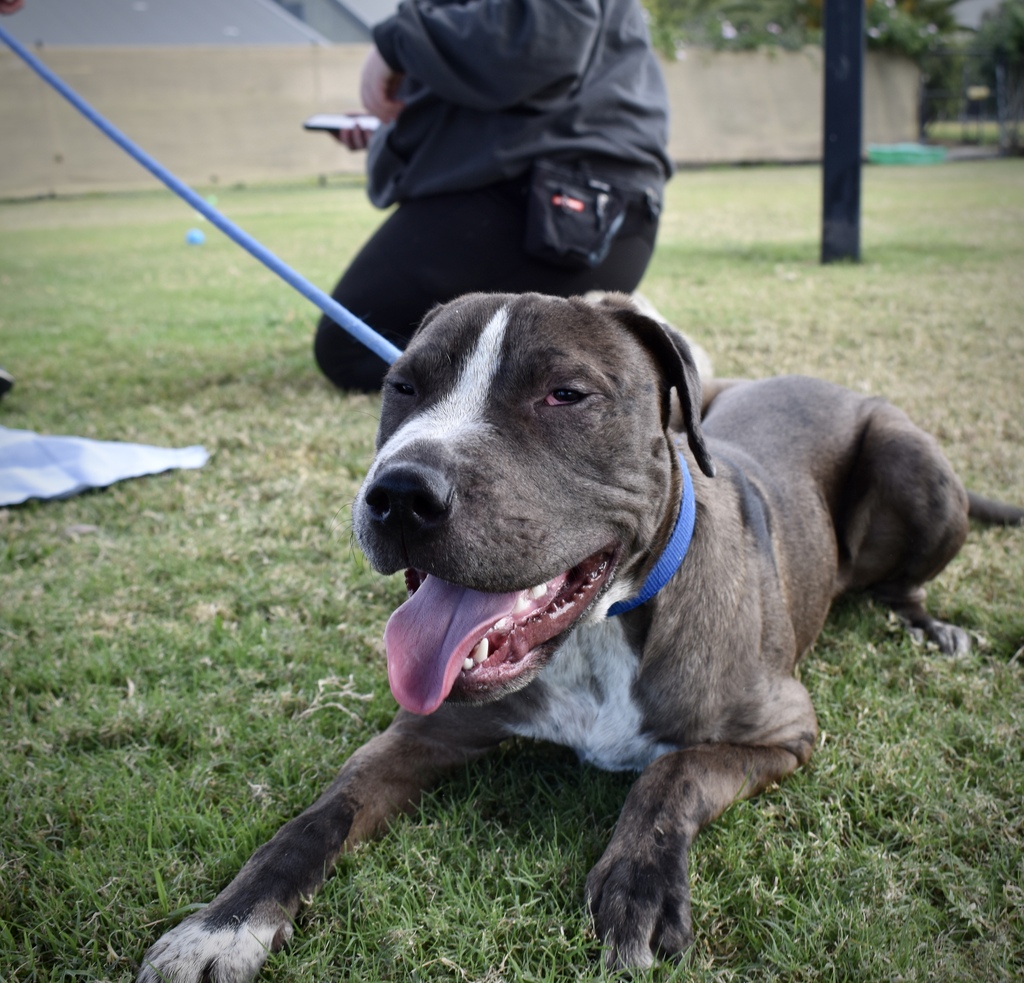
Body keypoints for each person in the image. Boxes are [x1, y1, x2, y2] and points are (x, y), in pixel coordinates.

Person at [313, 0, 673, 391]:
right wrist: (391, 130)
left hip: (550, 203)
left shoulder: (416, 34)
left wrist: (397, 41)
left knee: (351, 346)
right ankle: (612, 330)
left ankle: (627, 340)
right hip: (597, 215)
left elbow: (544, 40)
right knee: (357, 340)